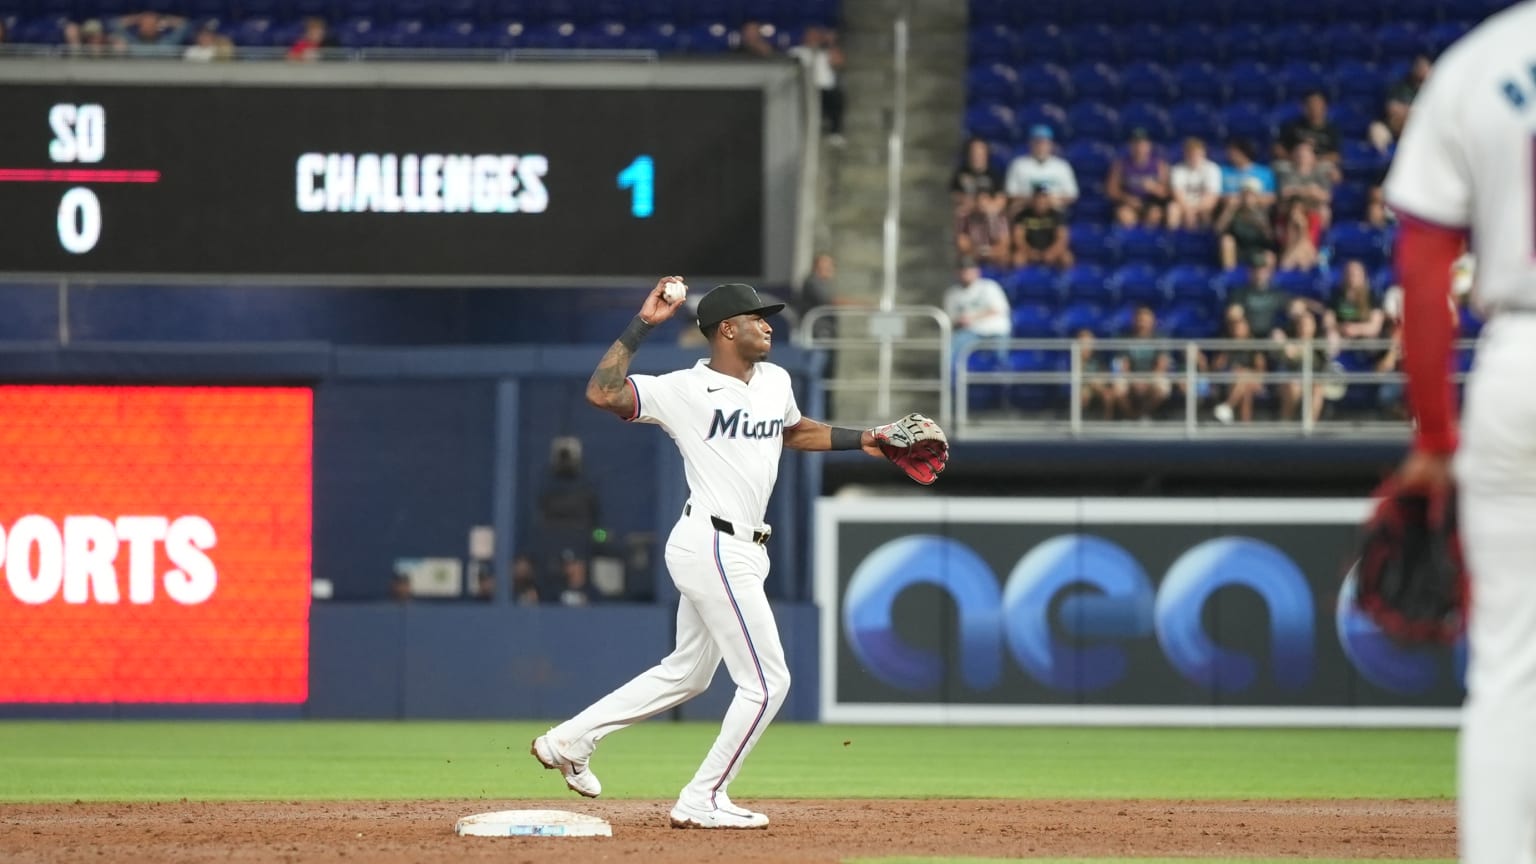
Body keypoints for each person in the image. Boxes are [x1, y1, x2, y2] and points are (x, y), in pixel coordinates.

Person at [531, 278, 937, 830]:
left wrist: (868, 438)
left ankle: (568, 741)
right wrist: (645, 322)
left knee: (687, 675)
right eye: (756, 317)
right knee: (769, 683)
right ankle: (701, 798)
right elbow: (604, 393)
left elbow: (792, 432)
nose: (769, 324)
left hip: (744, 548)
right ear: (727, 329)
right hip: (713, 543)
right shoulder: (684, 389)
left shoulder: (776, 381)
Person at [1382, 5, 1536, 861]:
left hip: (1521, 358)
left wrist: (1435, 437)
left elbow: (1423, 259)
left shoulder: (1482, 61)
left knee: (1511, 673)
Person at [944, 259, 1012, 368]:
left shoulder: (989, 286)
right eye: (963, 270)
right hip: (970, 332)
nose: (966, 273)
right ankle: (950, 381)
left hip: (995, 330)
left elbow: (999, 309)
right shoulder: (952, 294)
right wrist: (961, 321)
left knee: (1002, 360)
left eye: (969, 270)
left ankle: (1005, 381)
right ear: (957, 273)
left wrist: (972, 317)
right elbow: (951, 319)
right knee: (950, 350)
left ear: (977, 272)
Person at [1111, 305, 1172, 419]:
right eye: (1140, 320)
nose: (1142, 323)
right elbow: (1124, 365)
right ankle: (1131, 416)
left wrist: (1148, 381)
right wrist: (1133, 380)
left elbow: (1162, 364)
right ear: (1134, 321)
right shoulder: (1126, 338)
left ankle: (1143, 414)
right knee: (1118, 388)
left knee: (1163, 387)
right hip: (1132, 375)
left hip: (1152, 375)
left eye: (1145, 320)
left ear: (1152, 321)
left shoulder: (1160, 338)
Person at [787, 26, 845, 145]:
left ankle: (835, 132)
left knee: (837, 97)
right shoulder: (797, 52)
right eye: (811, 36)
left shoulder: (826, 53)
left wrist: (831, 43)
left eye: (817, 36)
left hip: (824, 90)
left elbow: (839, 62)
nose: (814, 39)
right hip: (802, 89)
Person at [1005, 125, 1079, 214]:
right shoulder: (1018, 165)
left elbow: (1072, 195)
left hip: (1055, 213)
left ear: (1051, 144)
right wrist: (1035, 201)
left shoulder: (1062, 166)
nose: (1041, 146)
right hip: (1025, 212)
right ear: (1030, 144)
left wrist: (1048, 201)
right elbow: (1011, 193)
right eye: (1037, 143)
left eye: (1044, 143)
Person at [1105, 127, 1170, 228]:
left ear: (1149, 145)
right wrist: (1127, 199)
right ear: (1130, 146)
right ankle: (1131, 242)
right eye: (1136, 144)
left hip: (1150, 203)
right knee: (1124, 215)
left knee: (1155, 214)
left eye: (1143, 144)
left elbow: (1166, 192)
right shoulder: (1121, 165)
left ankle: (1149, 242)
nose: (1139, 147)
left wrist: (1154, 188)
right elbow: (1111, 191)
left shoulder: (1159, 165)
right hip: (1129, 203)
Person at [1210, 312, 1265, 424]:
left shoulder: (1254, 346)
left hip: (1254, 381)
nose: (1237, 330)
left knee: (1244, 377)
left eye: (1240, 327)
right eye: (1235, 327)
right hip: (1232, 382)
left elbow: (1261, 371)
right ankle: (1245, 425)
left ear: (1247, 328)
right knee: (1245, 390)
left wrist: (1245, 372)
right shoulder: (1226, 345)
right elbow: (1216, 367)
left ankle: (1227, 406)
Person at [1215, 180, 1275, 271]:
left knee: (1270, 256)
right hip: (1238, 250)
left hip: (1256, 249)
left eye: (1251, 195)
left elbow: (1270, 238)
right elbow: (1218, 230)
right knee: (1227, 241)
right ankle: (1229, 275)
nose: (1248, 198)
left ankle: (1265, 283)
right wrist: (1229, 210)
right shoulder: (1233, 212)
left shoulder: (1264, 213)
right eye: (1245, 194)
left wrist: (1262, 224)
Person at [1167, 137, 1224, 230]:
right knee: (1172, 208)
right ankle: (1171, 240)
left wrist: (1195, 210)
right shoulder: (1177, 169)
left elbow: (1212, 197)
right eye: (1191, 153)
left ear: (1203, 153)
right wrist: (1188, 210)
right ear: (1186, 154)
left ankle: (1205, 238)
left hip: (1203, 204)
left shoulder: (1212, 169)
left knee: (1206, 211)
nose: (1194, 156)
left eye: (1197, 153)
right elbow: (1177, 194)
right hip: (1184, 203)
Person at [1010, 186, 1072, 269]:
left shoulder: (1057, 215)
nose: (1040, 201)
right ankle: (1018, 280)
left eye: (1043, 198)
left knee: (1067, 258)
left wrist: (1052, 252)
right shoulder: (1022, 215)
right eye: (1038, 198)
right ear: (1033, 200)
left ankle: (1064, 281)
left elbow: (1062, 239)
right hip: (1029, 250)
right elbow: (1018, 238)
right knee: (1017, 258)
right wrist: (1030, 252)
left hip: (1050, 249)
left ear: (1048, 199)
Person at [951, 136, 1004, 216]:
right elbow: (954, 196)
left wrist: (988, 206)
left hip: (988, 216)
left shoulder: (995, 175)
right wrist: (972, 203)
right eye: (974, 152)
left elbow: (1001, 200)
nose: (976, 156)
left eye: (980, 153)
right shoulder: (960, 174)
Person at [108, 11, 188, 57]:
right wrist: (136, 19)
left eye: (151, 25)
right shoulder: (132, 44)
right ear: (140, 27)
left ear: (157, 27)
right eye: (145, 25)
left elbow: (185, 26)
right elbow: (113, 24)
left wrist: (166, 20)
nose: (148, 28)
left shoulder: (167, 43)